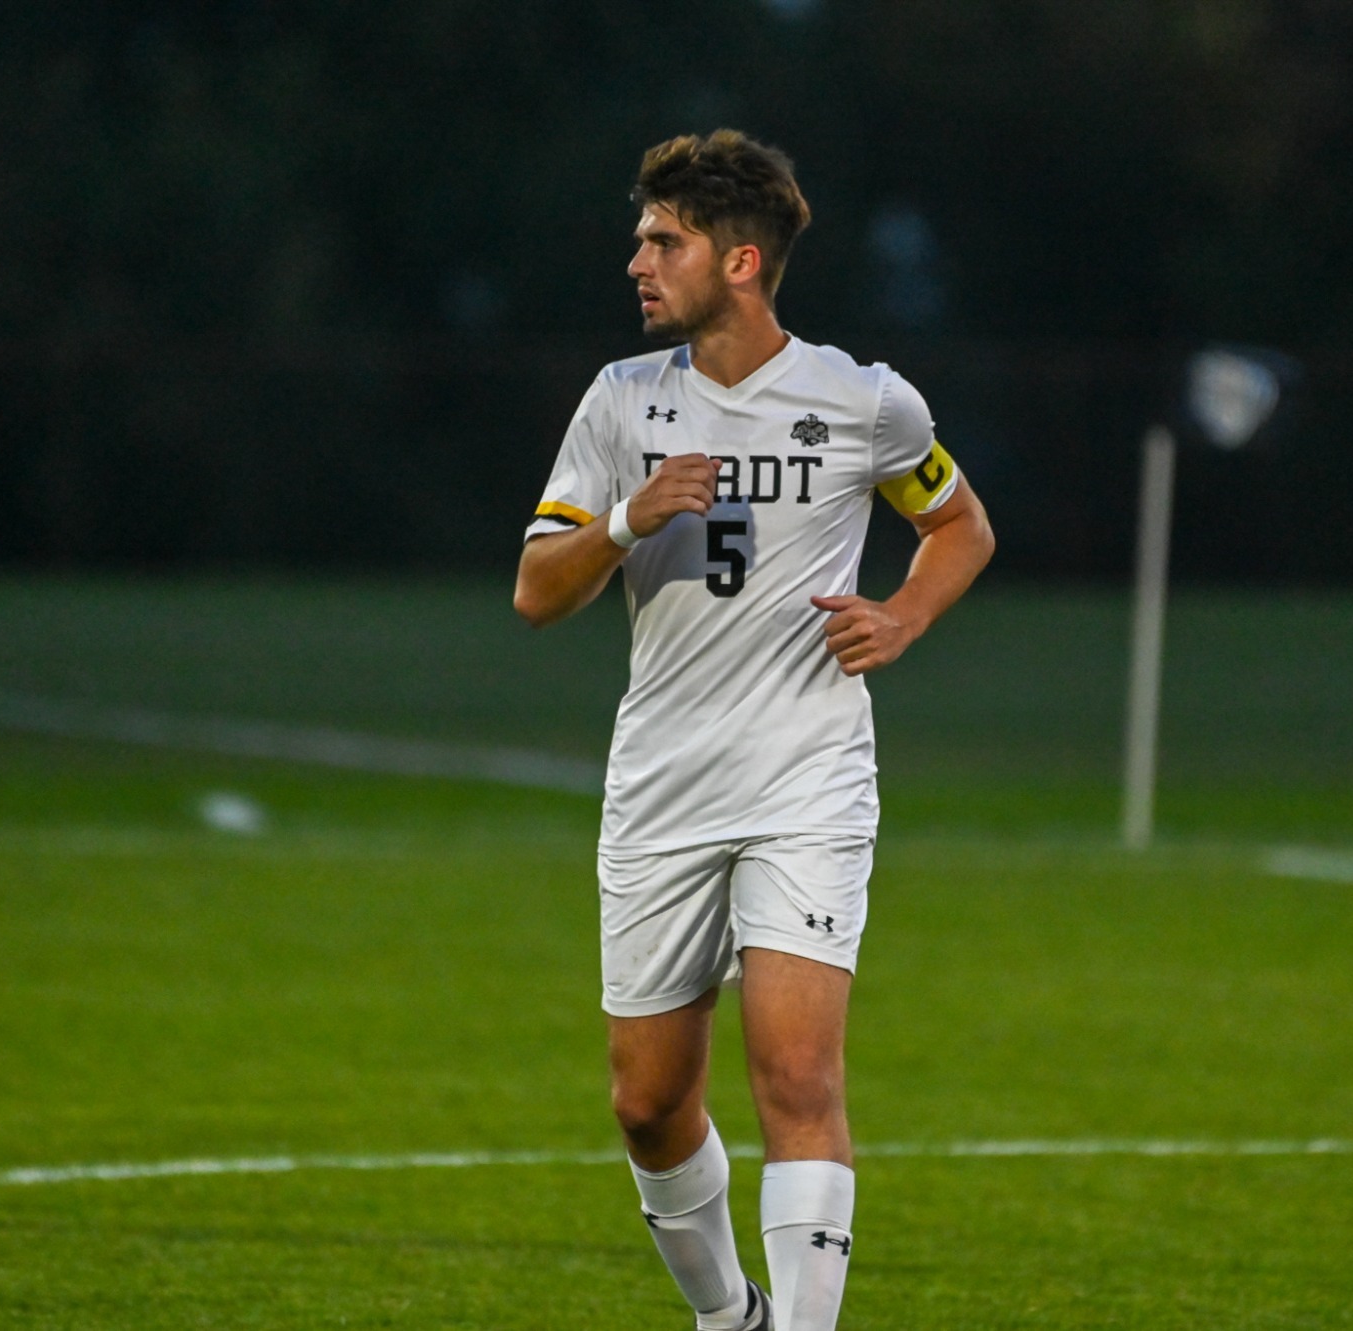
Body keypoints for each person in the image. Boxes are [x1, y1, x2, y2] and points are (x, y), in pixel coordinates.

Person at [513, 129, 993, 1331]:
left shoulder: (861, 398)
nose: (635, 259)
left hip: (807, 777)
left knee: (796, 1075)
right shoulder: (623, 402)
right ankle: (729, 1314)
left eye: (659, 239)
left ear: (737, 261)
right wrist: (628, 515)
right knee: (646, 1103)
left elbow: (961, 526)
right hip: (664, 784)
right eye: (639, 237)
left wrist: (899, 618)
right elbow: (534, 589)